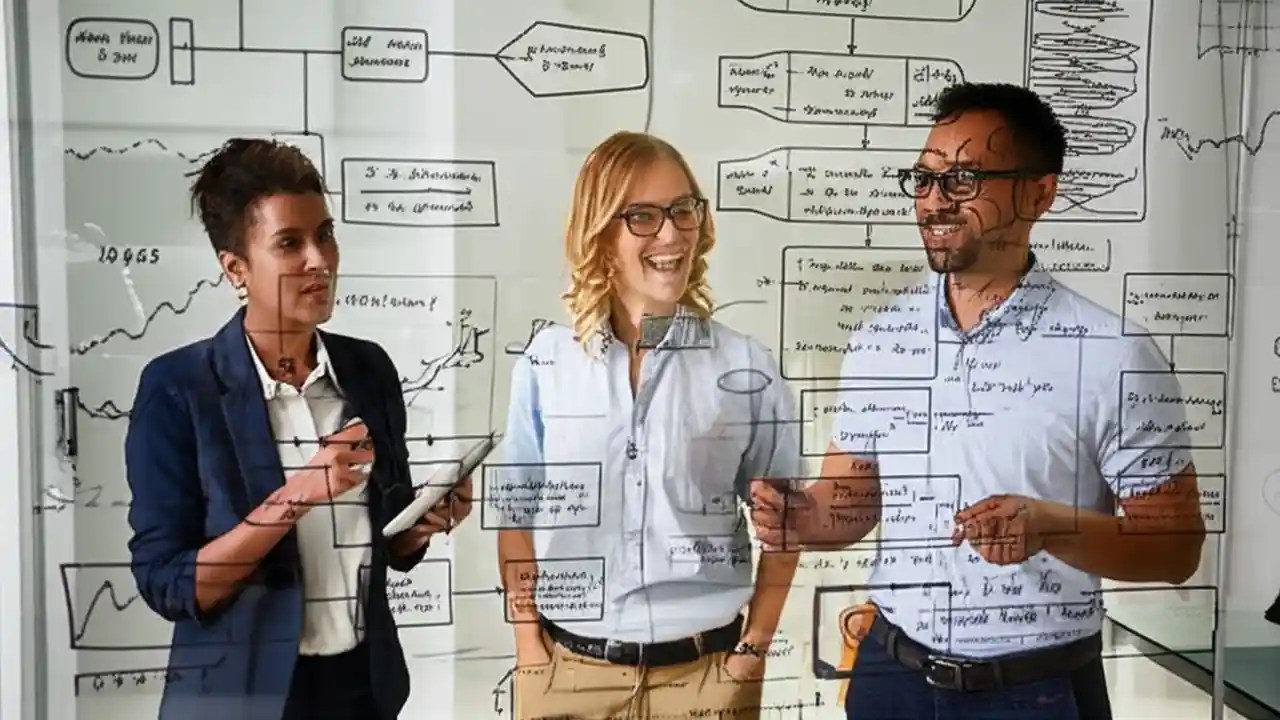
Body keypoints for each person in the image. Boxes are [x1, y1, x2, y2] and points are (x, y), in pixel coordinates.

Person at [750, 82, 1207, 719]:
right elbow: (850, 504)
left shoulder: (1113, 354)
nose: (935, 200)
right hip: (890, 677)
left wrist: (1050, 527)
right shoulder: (882, 339)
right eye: (924, 179)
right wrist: (798, 515)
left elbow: (1177, 548)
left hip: (1035, 692)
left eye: (963, 179)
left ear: (1039, 193)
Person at [124, 138, 474, 720]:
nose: (321, 260)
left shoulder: (368, 369)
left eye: (326, 234)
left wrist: (420, 525)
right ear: (235, 268)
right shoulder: (178, 389)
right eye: (290, 243)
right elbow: (170, 584)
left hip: (362, 691)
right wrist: (297, 496)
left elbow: (384, 542)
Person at [496, 130, 802, 719]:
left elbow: (785, 526)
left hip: (707, 679)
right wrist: (529, 649)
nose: (671, 234)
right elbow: (516, 515)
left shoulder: (745, 366)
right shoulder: (546, 362)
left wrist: (750, 655)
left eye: (683, 210)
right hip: (569, 676)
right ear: (600, 234)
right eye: (642, 216)